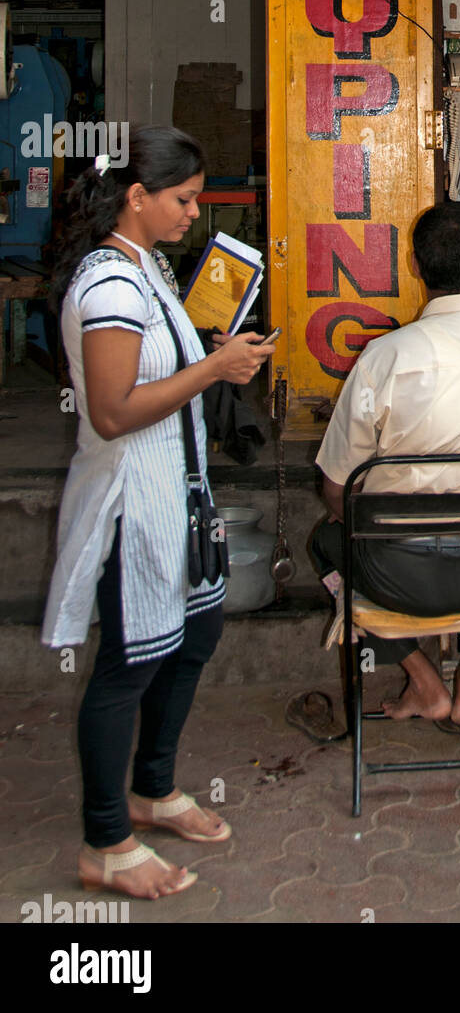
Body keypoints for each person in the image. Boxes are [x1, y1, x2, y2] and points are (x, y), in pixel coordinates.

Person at [43, 126, 277, 900]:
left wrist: (211, 353)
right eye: (181, 199)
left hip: (175, 494)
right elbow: (111, 412)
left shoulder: (147, 271)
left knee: (196, 631)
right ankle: (106, 837)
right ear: (136, 197)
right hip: (128, 502)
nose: (192, 212)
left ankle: (151, 787)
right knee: (128, 665)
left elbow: (161, 373)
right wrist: (214, 366)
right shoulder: (109, 285)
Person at [316, 201, 460, 749]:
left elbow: (336, 489)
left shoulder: (382, 358)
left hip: (396, 573)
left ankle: (424, 681)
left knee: (328, 543)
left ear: (416, 269)